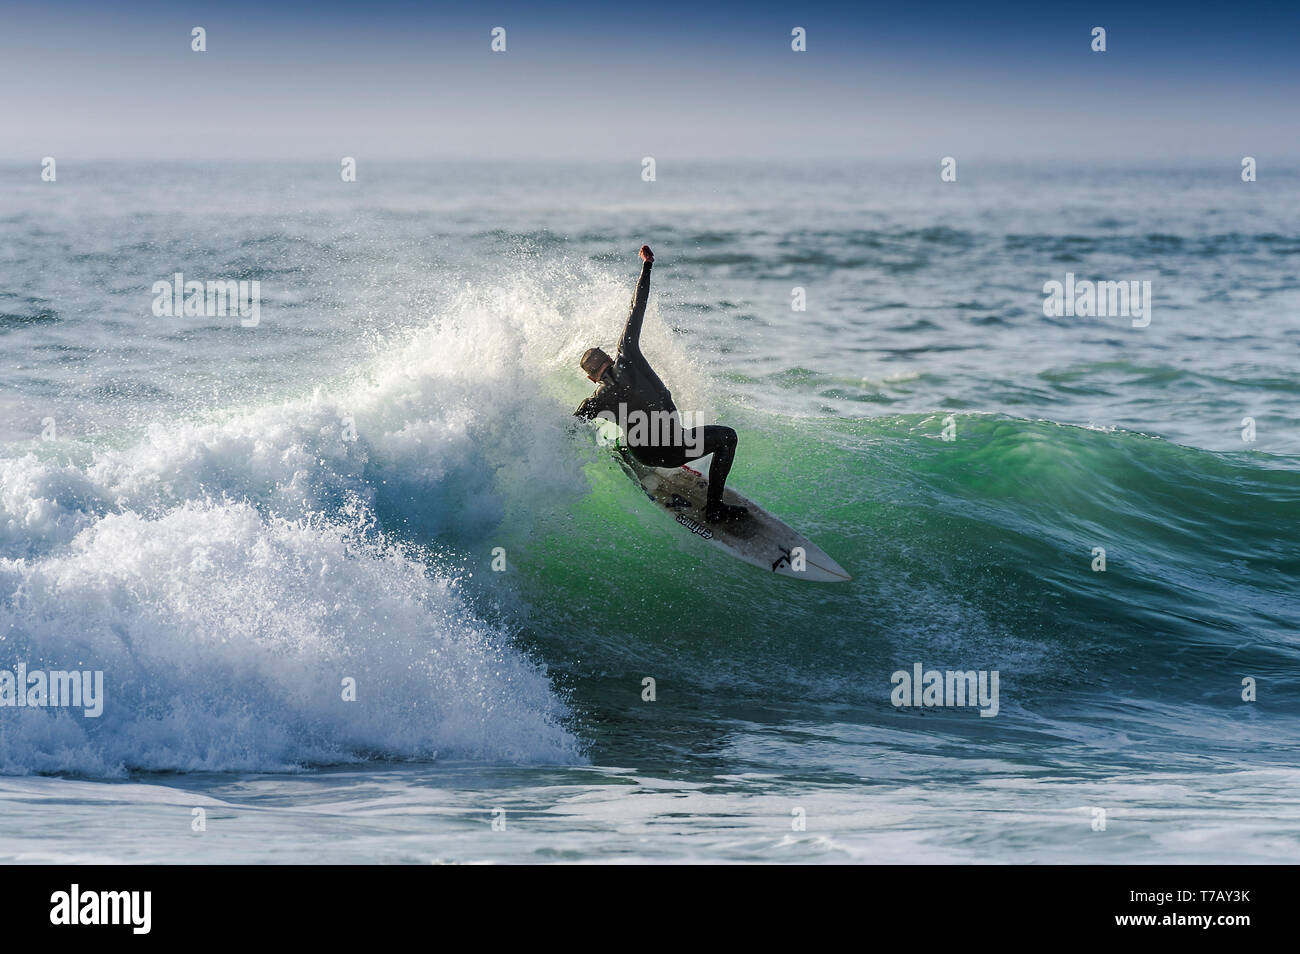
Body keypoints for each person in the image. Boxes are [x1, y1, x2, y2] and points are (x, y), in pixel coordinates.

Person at [575, 245, 748, 523]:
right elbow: (636, 306)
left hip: (643, 455)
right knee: (728, 437)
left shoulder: (596, 399)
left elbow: (570, 428)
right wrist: (647, 265)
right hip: (674, 452)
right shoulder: (627, 352)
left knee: (626, 430)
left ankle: (622, 452)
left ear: (590, 377)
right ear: (609, 355)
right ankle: (714, 509)